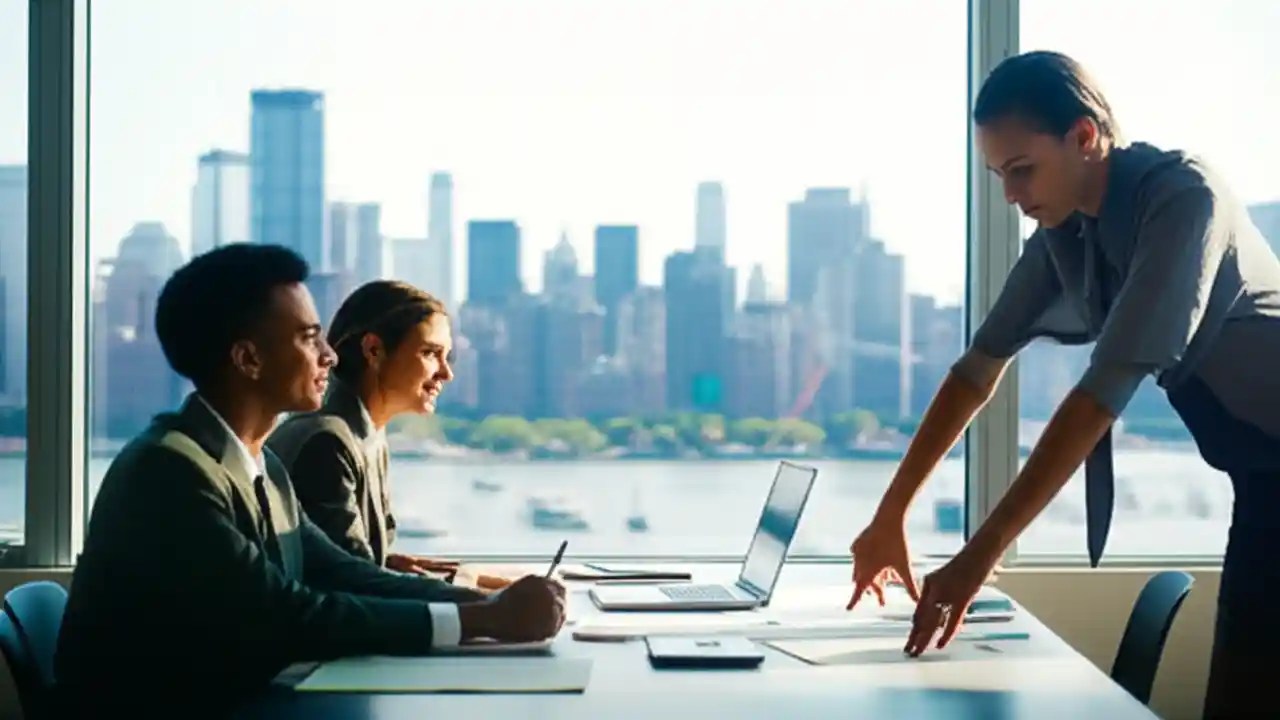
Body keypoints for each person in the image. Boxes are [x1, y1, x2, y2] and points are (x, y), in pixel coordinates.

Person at [845, 50, 1280, 718]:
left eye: (1021, 170)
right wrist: (889, 515)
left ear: (1084, 137)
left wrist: (977, 557)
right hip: (1262, 482)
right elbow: (976, 369)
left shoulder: (1184, 202)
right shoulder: (1065, 232)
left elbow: (1099, 396)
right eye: (997, 175)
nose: (1011, 196)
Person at [55, 244, 565, 715]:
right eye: (307, 337)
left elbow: (343, 573)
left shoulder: (263, 467)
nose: (330, 355)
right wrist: (484, 622)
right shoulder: (168, 472)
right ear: (248, 358)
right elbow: (287, 616)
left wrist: (488, 604)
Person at [268, 280, 509, 590]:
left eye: (446, 357)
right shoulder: (327, 441)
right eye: (430, 353)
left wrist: (387, 563)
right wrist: (472, 589)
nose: (446, 374)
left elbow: (353, 563)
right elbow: (353, 583)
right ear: (374, 350)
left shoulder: (368, 436)